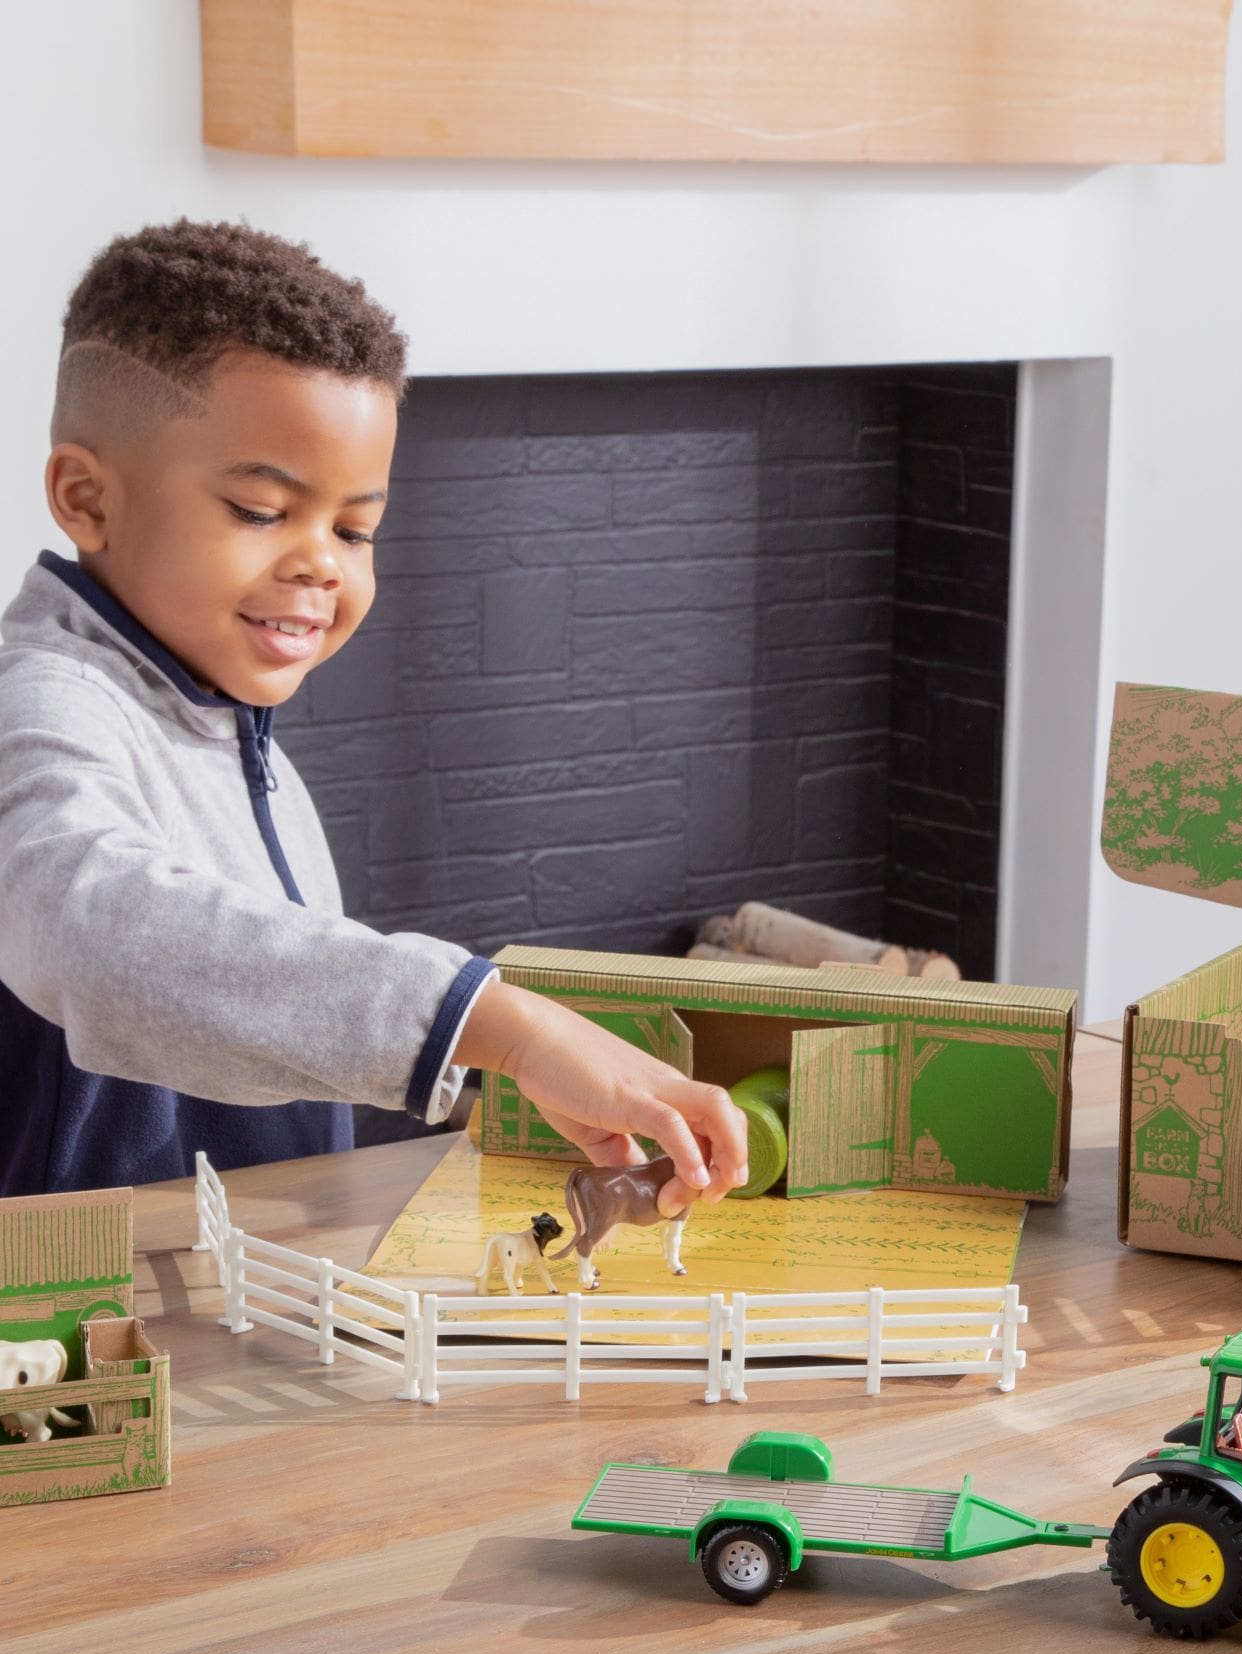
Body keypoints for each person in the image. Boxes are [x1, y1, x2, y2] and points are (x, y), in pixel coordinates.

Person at [0, 219, 748, 1204]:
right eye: (262, 510)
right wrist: (506, 1024)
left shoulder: (228, 722)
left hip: (238, 1286)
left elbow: (269, 1026)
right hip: (79, 1328)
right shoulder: (39, 703)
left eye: (356, 528)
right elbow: (91, 925)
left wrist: (482, 1082)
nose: (321, 561)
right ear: (87, 498)